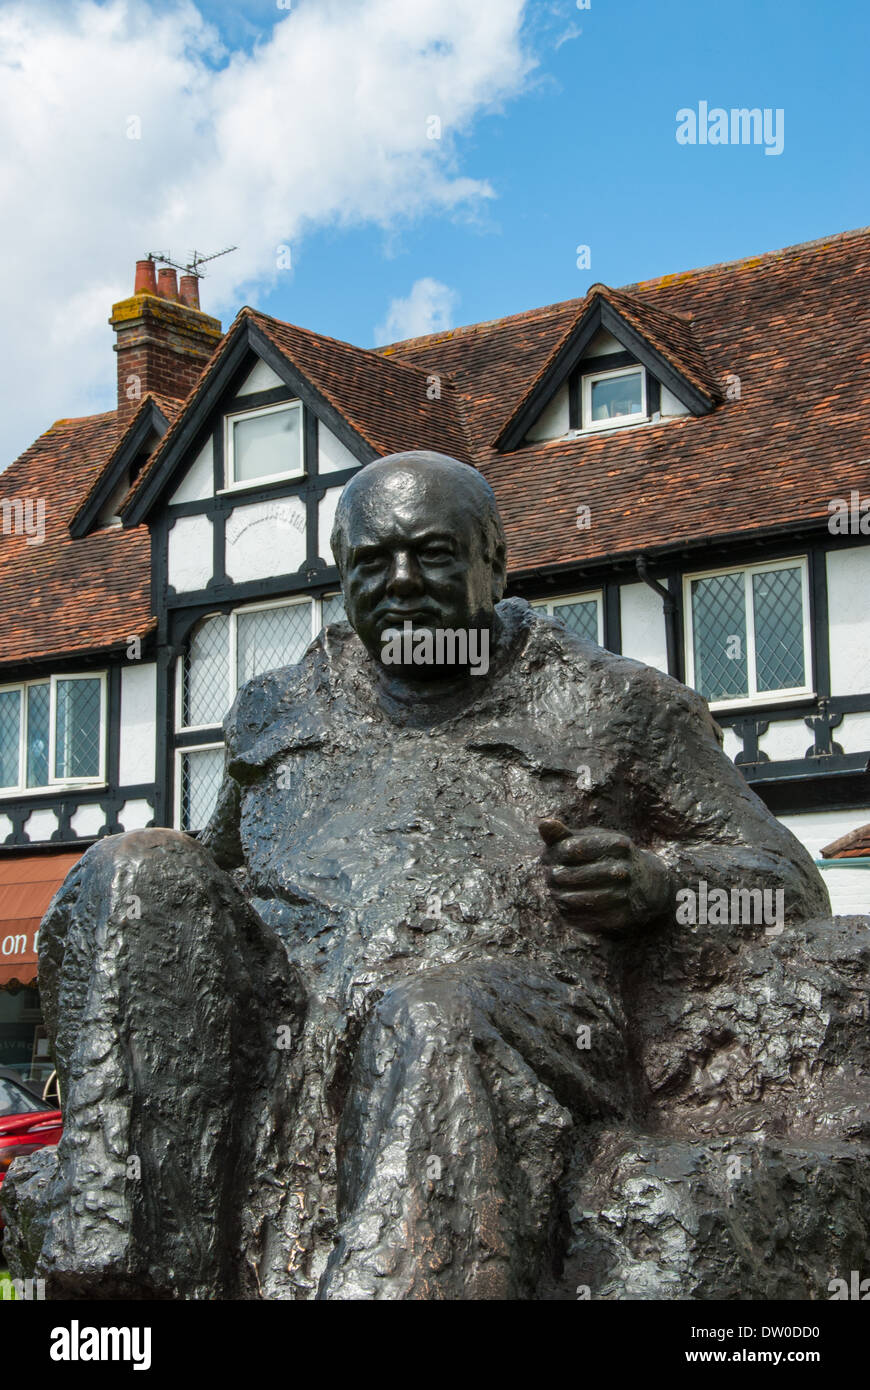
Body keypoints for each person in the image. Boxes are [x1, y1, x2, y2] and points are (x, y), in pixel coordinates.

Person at [4, 450, 834, 1300]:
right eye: (372, 560)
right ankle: (121, 1288)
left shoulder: (615, 703)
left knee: (432, 1011)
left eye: (432, 554)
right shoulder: (277, 708)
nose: (400, 581)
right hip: (295, 1016)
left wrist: (658, 885)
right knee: (136, 865)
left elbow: (785, 878)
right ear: (341, 573)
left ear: (495, 563)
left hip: (505, 1013)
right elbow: (208, 883)